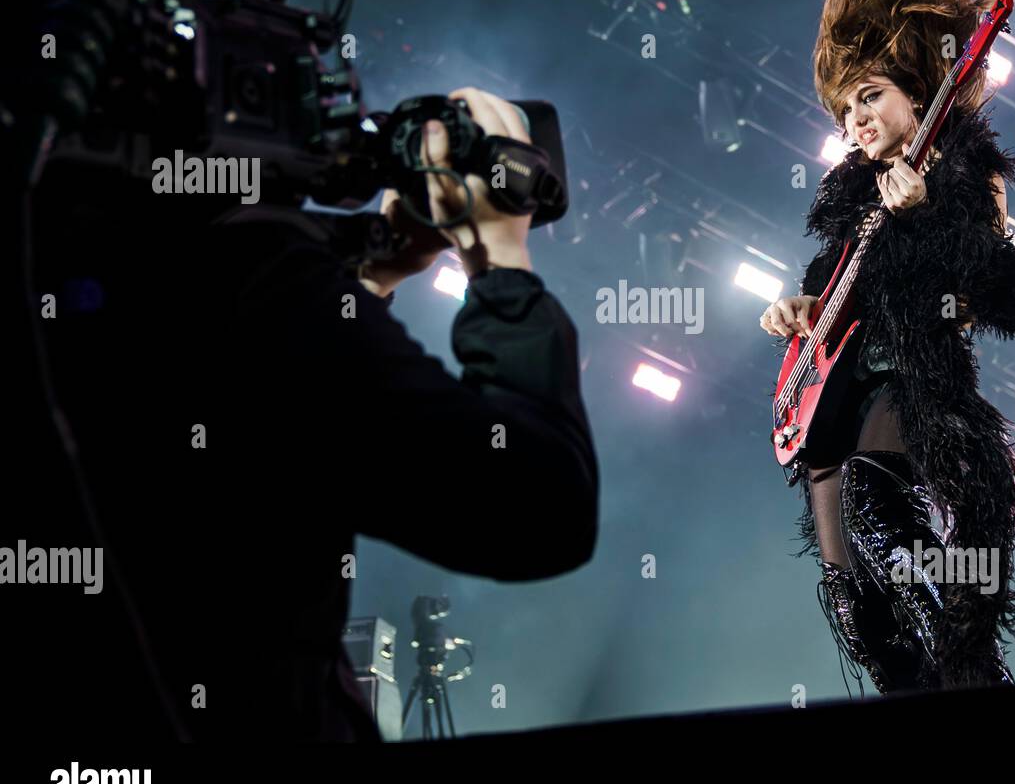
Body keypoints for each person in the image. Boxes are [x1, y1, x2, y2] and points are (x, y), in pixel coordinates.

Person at [17, 87, 599, 740]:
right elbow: (542, 507)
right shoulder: (250, 277)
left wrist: (369, 278)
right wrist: (497, 258)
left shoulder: (68, 246)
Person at [759, 0, 1015, 695]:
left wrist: (925, 213)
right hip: (832, 401)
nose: (855, 118)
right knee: (855, 607)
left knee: (883, 516)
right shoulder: (850, 198)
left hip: (909, 389)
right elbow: (832, 298)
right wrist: (799, 311)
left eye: (871, 95)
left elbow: (1010, 294)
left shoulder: (965, 168)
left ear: (917, 89)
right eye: (843, 109)